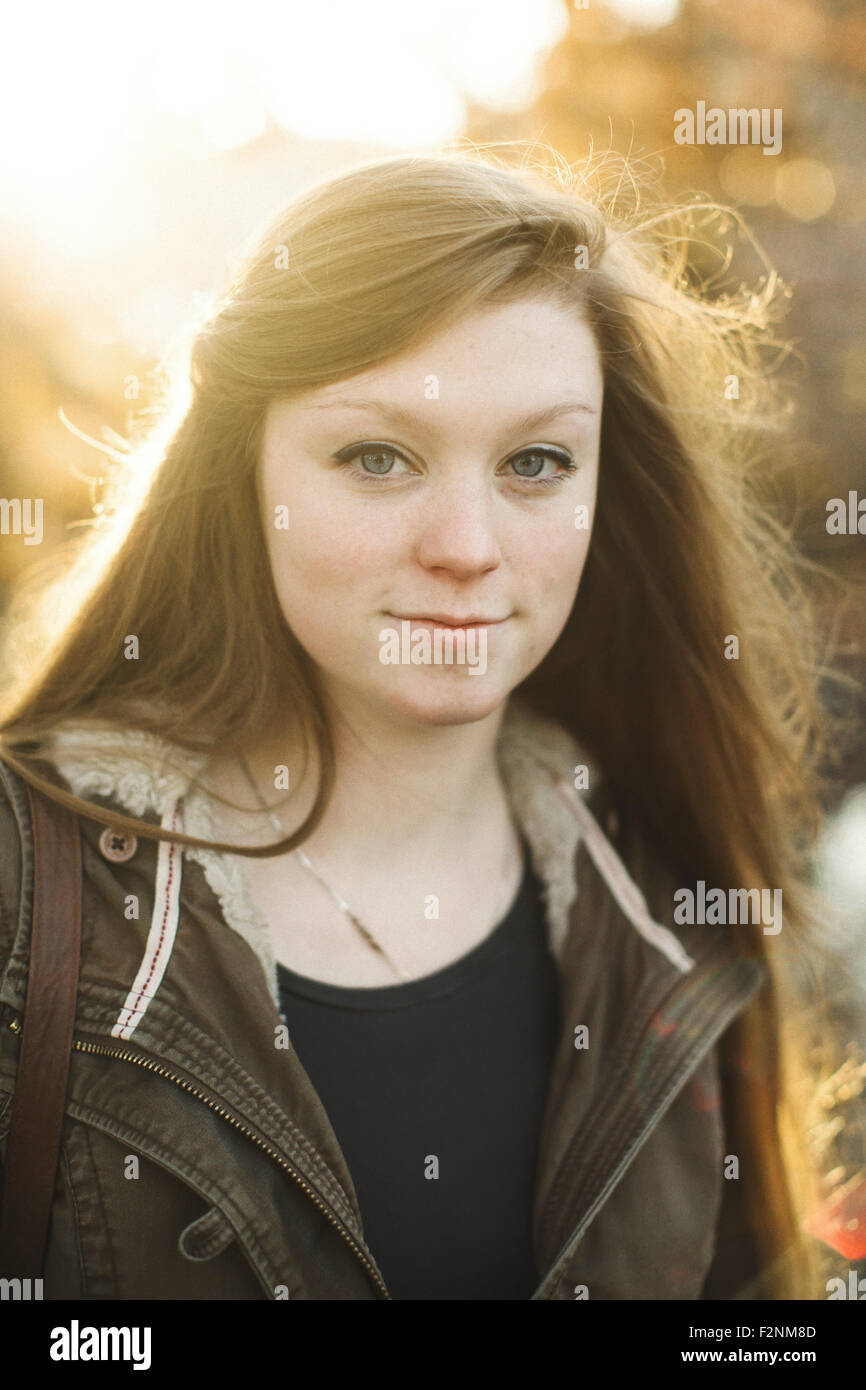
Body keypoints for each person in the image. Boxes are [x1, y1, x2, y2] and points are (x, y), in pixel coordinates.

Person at [0, 147, 862, 1301]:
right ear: (244, 470)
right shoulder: (24, 890)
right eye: (376, 457)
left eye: (535, 462)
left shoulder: (666, 894)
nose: (465, 543)